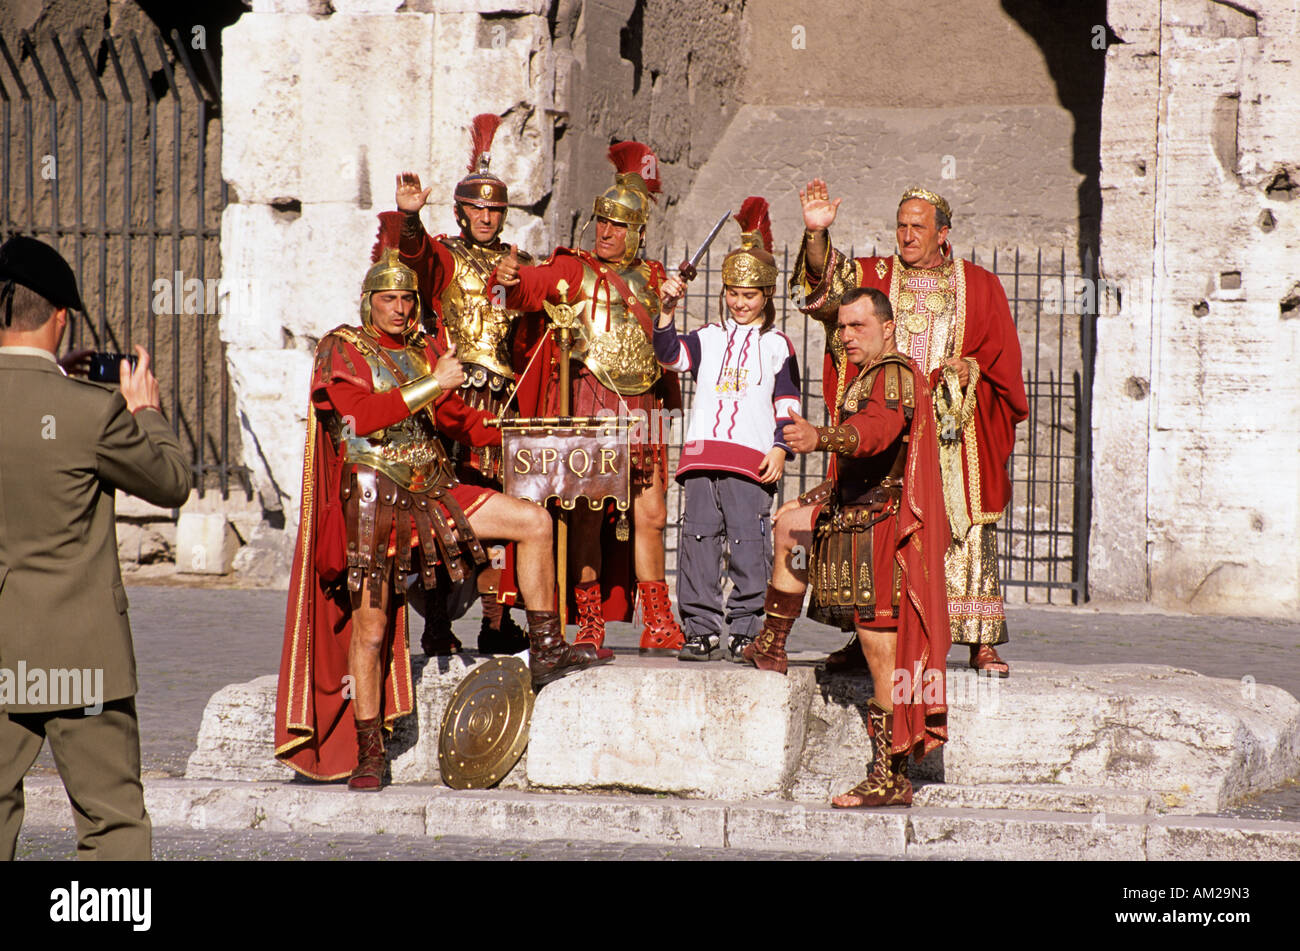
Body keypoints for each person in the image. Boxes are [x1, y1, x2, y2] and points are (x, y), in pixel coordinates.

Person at [274, 249, 609, 791]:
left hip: (435, 489)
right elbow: (362, 414)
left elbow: (456, 421)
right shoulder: (341, 347)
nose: (401, 308)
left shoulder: (425, 348)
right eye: (389, 299)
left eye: (408, 298)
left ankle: (546, 647)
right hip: (373, 501)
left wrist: (523, 431)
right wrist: (435, 381)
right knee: (372, 629)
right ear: (368, 303)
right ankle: (369, 753)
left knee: (533, 522)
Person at [0, 235, 191, 859]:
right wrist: (146, 411)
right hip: (81, 659)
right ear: (60, 318)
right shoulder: (93, 411)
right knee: (111, 823)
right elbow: (171, 483)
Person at [793, 183, 1028, 677]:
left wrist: (970, 371)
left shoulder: (979, 285)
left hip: (950, 433)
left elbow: (1001, 361)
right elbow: (827, 297)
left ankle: (979, 638)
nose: (906, 235)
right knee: (878, 529)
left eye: (918, 226)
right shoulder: (876, 275)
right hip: (887, 431)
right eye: (901, 225)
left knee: (965, 528)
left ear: (943, 233)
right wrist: (817, 233)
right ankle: (869, 638)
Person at [744, 287, 949, 807]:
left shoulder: (895, 373)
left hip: (882, 529)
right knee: (792, 524)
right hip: (856, 516)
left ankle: (892, 775)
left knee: (886, 651)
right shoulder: (866, 375)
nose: (847, 335)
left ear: (887, 327)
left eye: (858, 326)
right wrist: (822, 488)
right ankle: (772, 640)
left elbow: (877, 433)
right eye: (842, 327)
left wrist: (824, 438)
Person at [493, 141, 686, 655]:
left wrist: (668, 311)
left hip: (643, 405)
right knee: (586, 512)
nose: (606, 232)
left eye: (618, 225)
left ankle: (659, 622)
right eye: (601, 221)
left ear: (639, 232)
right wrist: (509, 282)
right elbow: (528, 290)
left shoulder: (654, 279)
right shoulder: (574, 269)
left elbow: (665, 345)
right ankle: (590, 623)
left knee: (651, 514)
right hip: (590, 398)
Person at [371, 114, 543, 658]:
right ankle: (437, 623)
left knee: (503, 511)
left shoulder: (520, 262)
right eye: (478, 208)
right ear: (461, 212)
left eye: (496, 209)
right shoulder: (445, 252)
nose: (488, 217)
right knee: (440, 510)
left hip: (505, 401)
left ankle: (497, 621)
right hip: (451, 394)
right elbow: (415, 261)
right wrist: (409, 218)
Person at [653, 197, 801, 662]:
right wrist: (666, 312)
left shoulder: (778, 345)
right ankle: (699, 627)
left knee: (749, 542)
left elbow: (788, 405)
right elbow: (670, 357)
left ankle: (746, 626)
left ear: (767, 297)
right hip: (701, 458)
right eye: (733, 293)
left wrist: (780, 449)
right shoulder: (707, 337)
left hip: (751, 459)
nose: (740, 302)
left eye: (750, 295)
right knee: (697, 542)